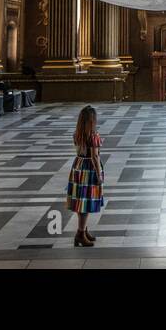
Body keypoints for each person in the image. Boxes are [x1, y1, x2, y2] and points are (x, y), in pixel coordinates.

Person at [66, 105, 103, 247]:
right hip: (89, 169)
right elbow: (95, 156)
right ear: (92, 121)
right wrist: (99, 174)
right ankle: (80, 233)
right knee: (85, 203)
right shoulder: (93, 136)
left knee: (81, 201)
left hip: (78, 166)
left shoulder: (77, 134)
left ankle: (83, 230)